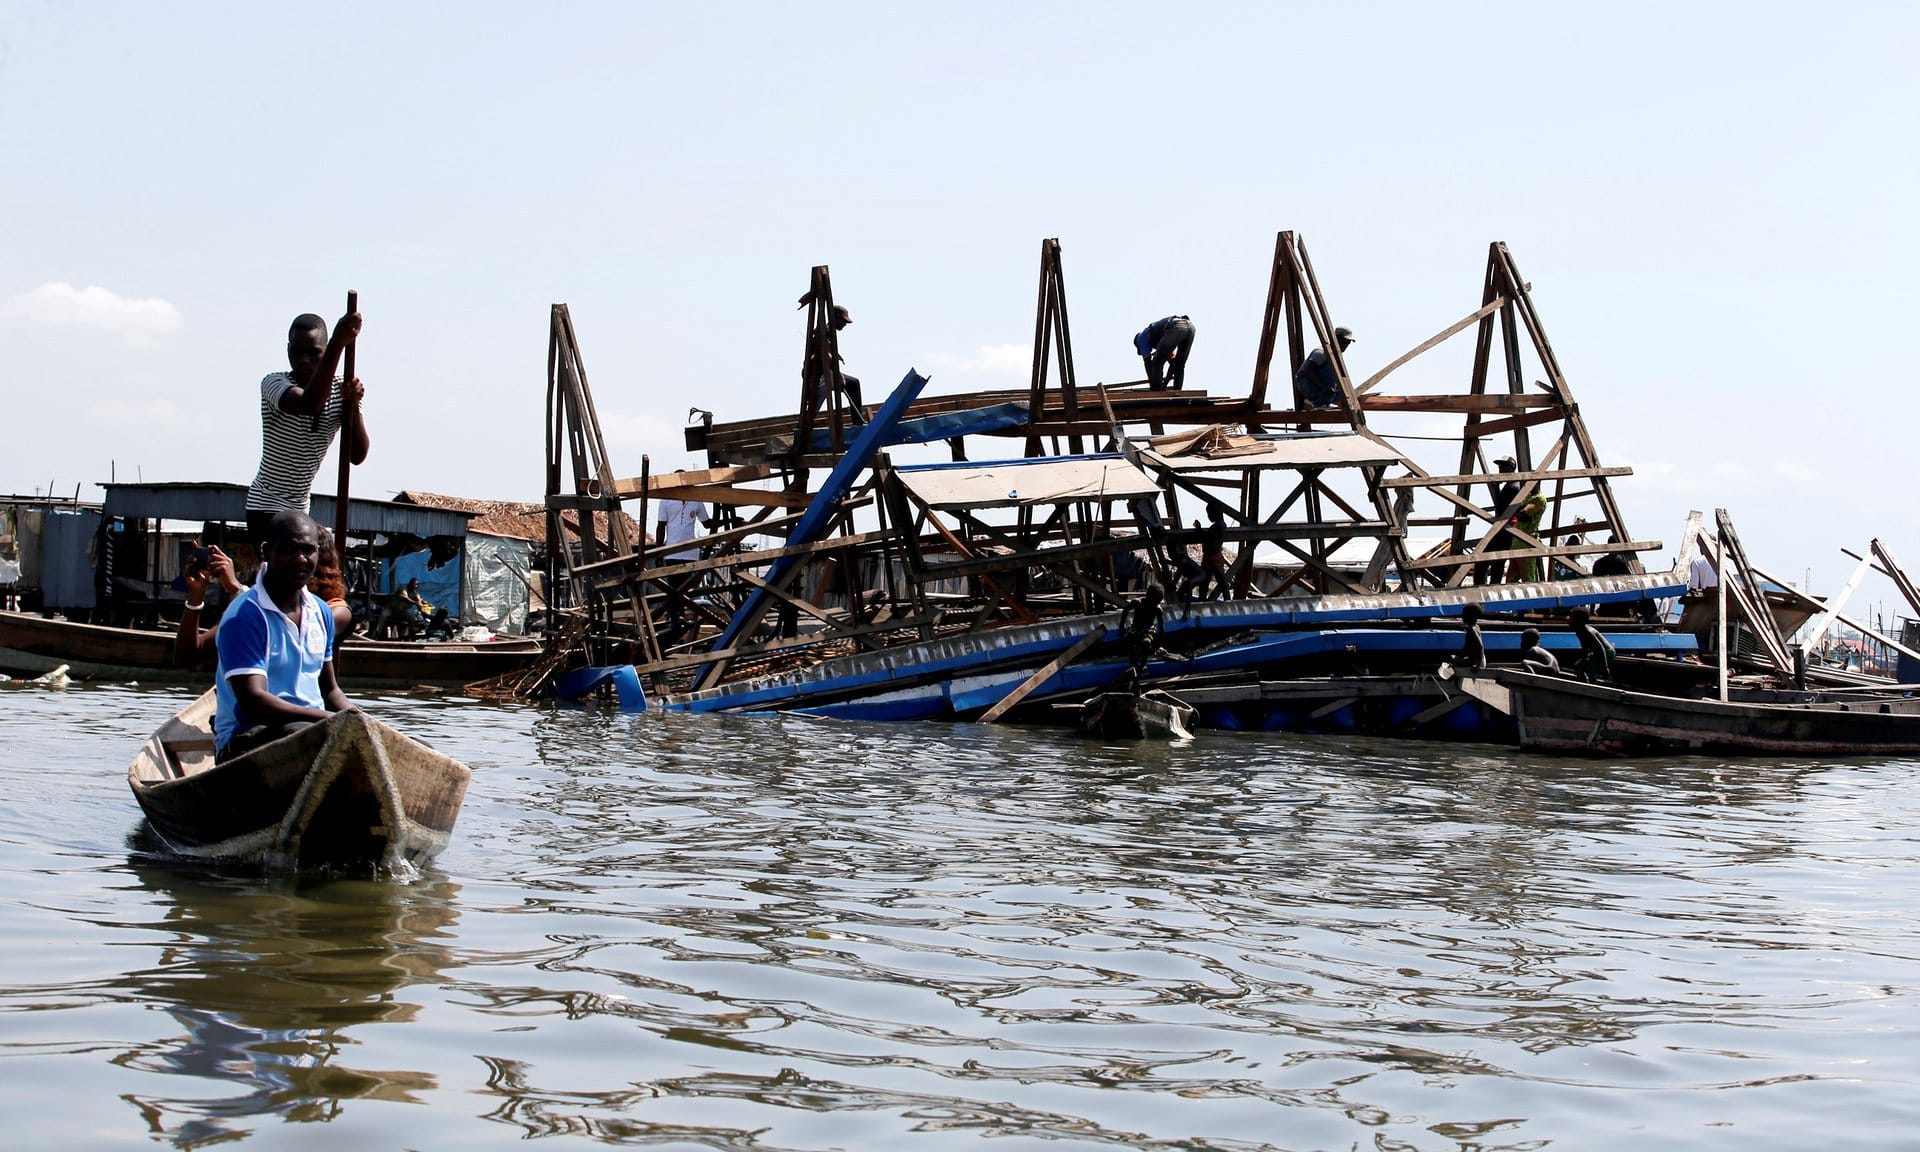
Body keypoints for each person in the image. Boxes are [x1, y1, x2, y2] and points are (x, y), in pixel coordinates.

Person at [212, 511, 352, 762]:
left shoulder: (321, 611)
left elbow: (329, 691)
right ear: (266, 552)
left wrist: (361, 720)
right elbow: (254, 703)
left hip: (314, 731)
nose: (301, 559)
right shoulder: (245, 616)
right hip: (245, 741)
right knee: (303, 734)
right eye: (290, 549)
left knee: (408, 744)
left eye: (309, 550)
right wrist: (329, 720)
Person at [246, 310, 371, 543]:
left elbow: (357, 454)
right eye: (297, 351)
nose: (303, 360)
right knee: (283, 573)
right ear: (287, 350)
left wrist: (352, 405)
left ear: (324, 353)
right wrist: (337, 343)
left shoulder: (342, 391)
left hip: (301, 506)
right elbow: (309, 403)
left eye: (313, 353)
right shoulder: (274, 383)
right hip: (266, 504)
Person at [1476, 455, 1521, 586]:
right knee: (1495, 559)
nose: (1500, 469)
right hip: (1504, 527)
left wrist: (1495, 488)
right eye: (1500, 467)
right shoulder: (1510, 485)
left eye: (1503, 467)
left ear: (1511, 468)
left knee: (1489, 558)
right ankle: (1490, 584)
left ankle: (1484, 584)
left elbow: (1500, 506)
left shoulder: (1513, 487)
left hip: (1507, 528)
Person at [1117, 584, 1166, 692]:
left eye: (1156, 602)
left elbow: (1162, 629)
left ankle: (1143, 665)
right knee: (1130, 643)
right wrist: (1121, 627)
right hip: (1135, 629)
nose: (1154, 604)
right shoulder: (1137, 603)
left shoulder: (1158, 609)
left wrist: (1158, 644)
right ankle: (1133, 664)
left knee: (1146, 643)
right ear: (1147, 596)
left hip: (1148, 630)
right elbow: (1125, 611)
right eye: (1153, 601)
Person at [1292, 326, 1354, 410]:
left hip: (1315, 385)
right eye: (1344, 342)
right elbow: (1308, 370)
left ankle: (1318, 401)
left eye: (1348, 343)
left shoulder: (1336, 355)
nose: (1346, 345)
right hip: (1305, 383)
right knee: (1331, 367)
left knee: (1343, 392)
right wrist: (1323, 387)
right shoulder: (1322, 352)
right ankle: (1320, 403)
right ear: (1336, 339)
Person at [1134, 315, 1195, 390]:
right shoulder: (1162, 341)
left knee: (1156, 363)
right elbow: (1173, 364)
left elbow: (1148, 364)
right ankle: (1177, 391)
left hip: (1176, 327)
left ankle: (1156, 392)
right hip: (1190, 327)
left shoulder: (1141, 338)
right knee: (1179, 365)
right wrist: (1165, 384)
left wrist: (1153, 386)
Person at [1506, 494, 1549, 583]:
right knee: (1510, 578)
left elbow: (1523, 515)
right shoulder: (1526, 497)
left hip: (1526, 543)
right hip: (1516, 542)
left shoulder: (1539, 499)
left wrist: (1513, 509)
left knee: (1528, 578)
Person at [1567, 606, 1614, 683]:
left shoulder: (1587, 632)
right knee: (1580, 665)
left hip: (1607, 652)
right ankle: (1583, 682)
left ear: (1579, 621)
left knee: (1590, 669)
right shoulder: (1579, 631)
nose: (1568, 620)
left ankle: (1593, 685)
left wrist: (1605, 667)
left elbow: (1600, 648)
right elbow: (1585, 650)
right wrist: (1582, 662)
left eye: (1571, 618)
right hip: (1595, 652)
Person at [1196, 505, 1230, 601]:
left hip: (1212, 557)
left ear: (1215, 513)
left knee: (1214, 583)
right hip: (1212, 557)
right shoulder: (1220, 525)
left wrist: (1199, 529)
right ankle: (1228, 600)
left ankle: (1227, 601)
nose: (1209, 516)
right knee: (1220, 583)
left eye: (1209, 514)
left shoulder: (1218, 526)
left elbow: (1206, 538)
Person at [1456, 602, 1487, 670]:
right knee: (1455, 658)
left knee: (1452, 658)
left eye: (1465, 615)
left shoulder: (1472, 629)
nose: (1462, 617)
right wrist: (1459, 657)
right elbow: (1466, 648)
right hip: (1476, 660)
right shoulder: (1475, 627)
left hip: (1477, 662)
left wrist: (1478, 665)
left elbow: (1480, 646)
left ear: (1472, 616)